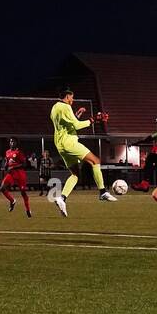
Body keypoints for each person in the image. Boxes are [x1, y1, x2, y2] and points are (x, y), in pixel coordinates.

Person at [49, 88, 116, 217]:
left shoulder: (54, 108)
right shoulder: (66, 107)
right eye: (72, 97)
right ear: (67, 96)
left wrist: (77, 114)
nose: (72, 100)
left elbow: (68, 124)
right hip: (70, 143)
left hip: (60, 144)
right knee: (95, 161)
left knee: (75, 174)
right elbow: (78, 126)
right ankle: (102, 192)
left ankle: (61, 198)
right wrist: (93, 120)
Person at [0, 138, 32, 217]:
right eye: (11, 141)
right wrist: (5, 166)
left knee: (23, 192)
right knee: (2, 188)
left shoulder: (19, 152)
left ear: (16, 143)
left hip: (20, 174)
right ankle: (12, 201)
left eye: (13, 141)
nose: (12, 143)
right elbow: (7, 162)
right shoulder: (7, 152)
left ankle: (28, 210)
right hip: (11, 174)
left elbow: (24, 164)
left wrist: (14, 167)